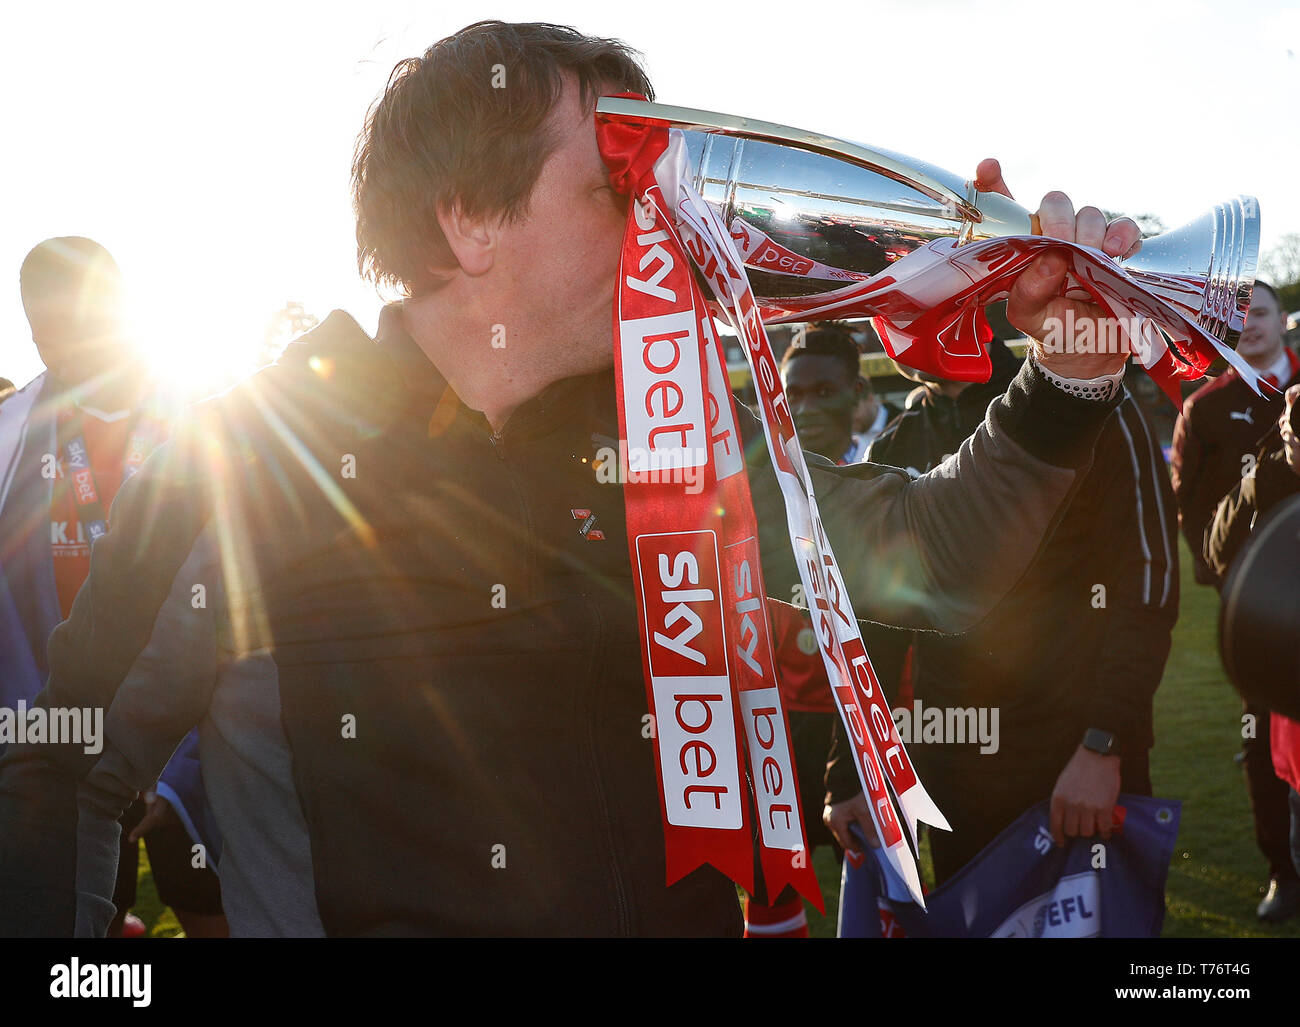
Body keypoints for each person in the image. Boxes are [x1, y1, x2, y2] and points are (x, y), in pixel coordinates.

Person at [0, 20, 1147, 937]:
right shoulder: (251, 459)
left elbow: (937, 560)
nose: (659, 207)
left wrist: (1069, 376)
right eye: (613, 171)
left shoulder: (668, 427)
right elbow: (67, 764)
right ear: (468, 222)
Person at [824, 347, 1179, 890]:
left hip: (1073, 757)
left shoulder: (1089, 400)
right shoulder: (896, 440)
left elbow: (1147, 586)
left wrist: (1105, 744)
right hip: (954, 766)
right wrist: (851, 773)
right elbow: (873, 626)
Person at [0, 237, 226, 938]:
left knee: (213, 908)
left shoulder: (203, 418)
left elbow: (236, 597)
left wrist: (171, 766)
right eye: (48, 329)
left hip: (191, 748)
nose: (64, 344)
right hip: (58, 743)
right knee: (84, 931)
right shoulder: (10, 437)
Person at [1171, 280, 1300, 922]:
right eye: (1236, 315)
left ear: (1283, 320)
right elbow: (1188, 503)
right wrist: (1226, 578)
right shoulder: (1206, 406)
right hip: (1262, 612)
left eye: (1260, 311)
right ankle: (1284, 869)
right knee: (1263, 737)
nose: (1248, 324)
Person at [1206, 383, 1300, 899]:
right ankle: (1283, 875)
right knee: (1269, 766)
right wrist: (1283, 464)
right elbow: (1220, 549)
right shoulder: (1270, 463)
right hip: (1280, 663)